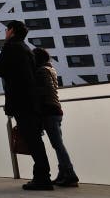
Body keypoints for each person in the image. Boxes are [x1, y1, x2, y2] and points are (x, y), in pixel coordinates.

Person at [0, 20, 52, 190]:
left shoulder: (11, 46)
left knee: (33, 140)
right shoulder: (26, 49)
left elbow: (0, 68)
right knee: (35, 139)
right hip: (31, 100)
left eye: (6, 30)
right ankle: (42, 176)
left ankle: (43, 178)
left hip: (21, 100)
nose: (5, 33)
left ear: (11, 31)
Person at [33, 47, 79, 187]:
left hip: (49, 111)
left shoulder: (41, 71)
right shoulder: (51, 69)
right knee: (58, 144)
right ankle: (63, 173)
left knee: (58, 145)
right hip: (56, 110)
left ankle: (70, 174)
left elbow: (43, 91)